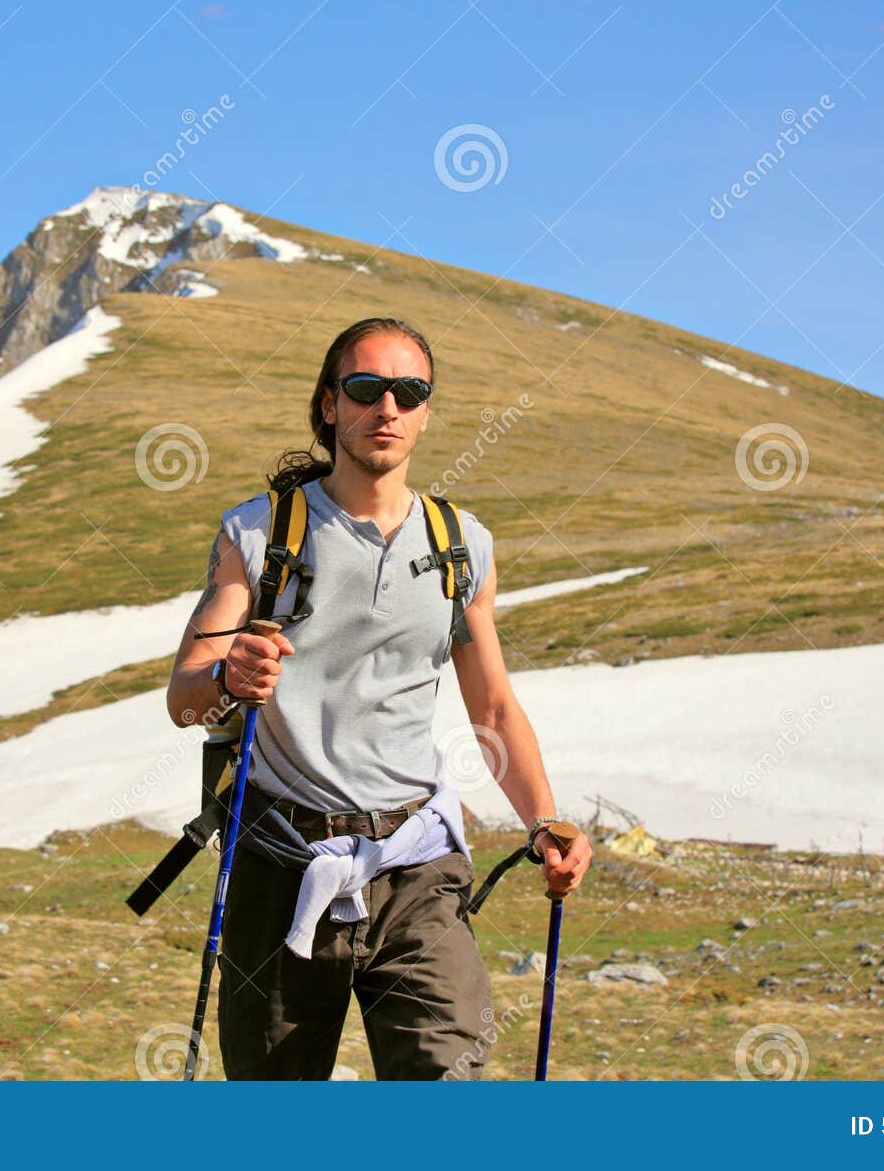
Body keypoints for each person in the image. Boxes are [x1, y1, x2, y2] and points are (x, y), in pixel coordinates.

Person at [165, 315, 592, 1080]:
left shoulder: (462, 545)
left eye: (409, 390)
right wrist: (228, 677)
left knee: (447, 1077)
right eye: (365, 387)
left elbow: (492, 708)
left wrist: (544, 822)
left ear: (428, 410)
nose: (386, 406)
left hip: (417, 864)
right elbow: (183, 698)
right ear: (330, 405)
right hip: (280, 860)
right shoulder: (259, 535)